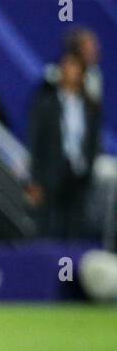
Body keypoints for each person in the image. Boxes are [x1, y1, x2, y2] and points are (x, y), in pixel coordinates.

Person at [28, 50, 101, 239]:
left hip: (78, 172)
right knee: (46, 226)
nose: (71, 72)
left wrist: (89, 165)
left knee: (74, 226)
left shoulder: (90, 106)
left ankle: (70, 265)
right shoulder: (46, 104)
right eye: (67, 67)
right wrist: (35, 179)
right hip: (51, 173)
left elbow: (93, 140)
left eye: (76, 67)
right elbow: (36, 143)